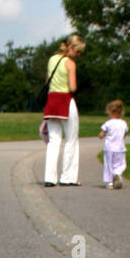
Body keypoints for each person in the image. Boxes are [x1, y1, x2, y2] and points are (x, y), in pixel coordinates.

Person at [42, 36, 85, 187]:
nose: (78, 55)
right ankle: (68, 177)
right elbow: (73, 87)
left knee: (54, 141)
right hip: (66, 101)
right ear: (71, 48)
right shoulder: (70, 64)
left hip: (51, 101)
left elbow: (47, 80)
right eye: (78, 51)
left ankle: (49, 177)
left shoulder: (52, 59)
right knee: (71, 140)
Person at [99, 99, 129, 189]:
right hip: (120, 148)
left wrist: (100, 135)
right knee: (120, 164)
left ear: (110, 111)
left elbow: (101, 134)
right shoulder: (124, 123)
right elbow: (125, 134)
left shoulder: (108, 123)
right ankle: (117, 174)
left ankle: (110, 183)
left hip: (109, 148)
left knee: (108, 165)